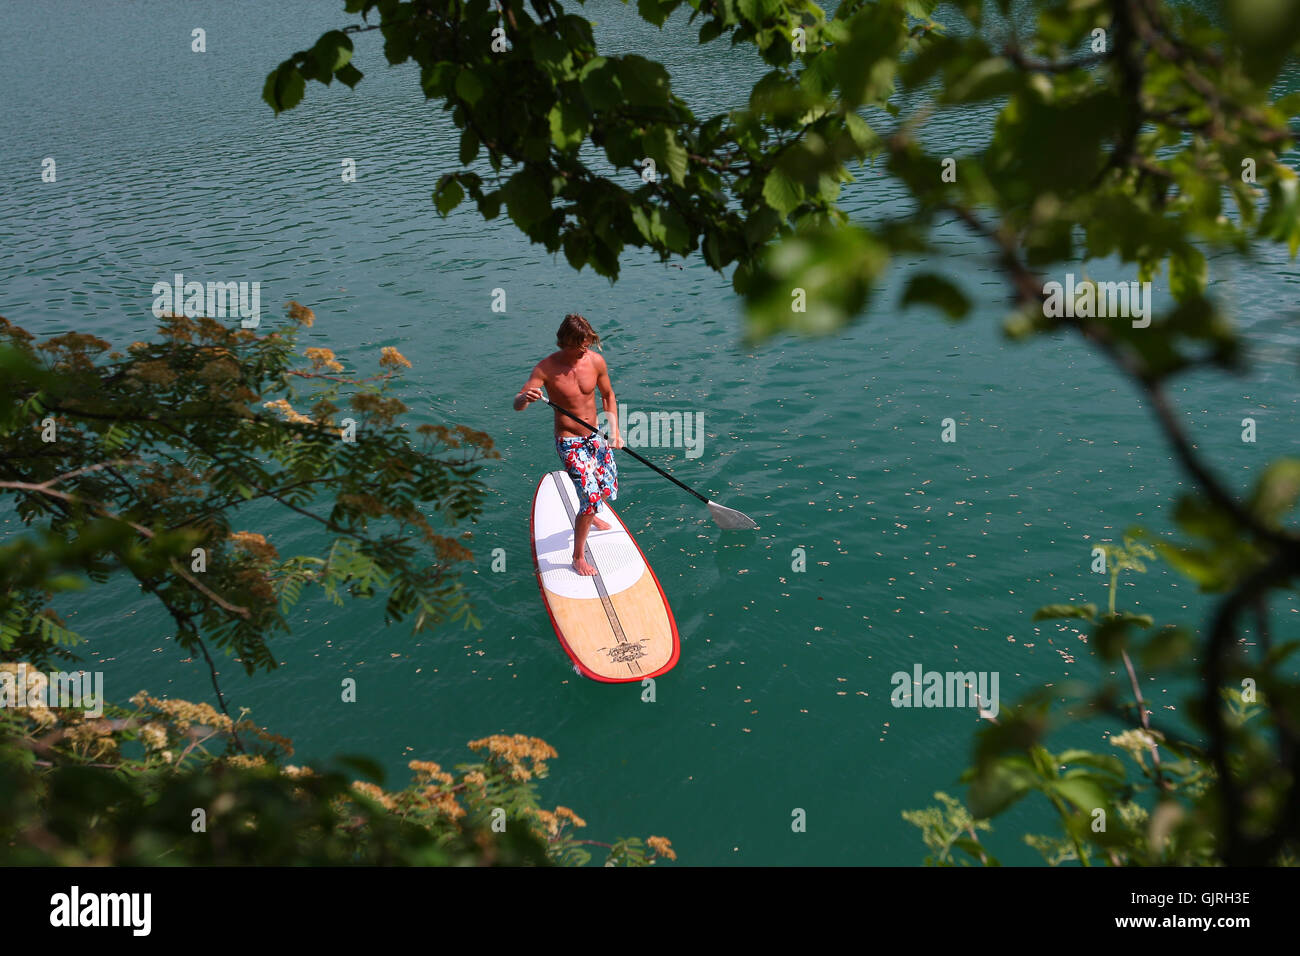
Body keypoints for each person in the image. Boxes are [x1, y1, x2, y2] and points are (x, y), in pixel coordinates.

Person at [514, 314, 624, 576]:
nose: (585, 349)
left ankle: (591, 511)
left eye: (588, 343)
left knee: (606, 485)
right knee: (589, 499)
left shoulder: (595, 361)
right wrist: (525, 398)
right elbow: (517, 405)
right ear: (565, 342)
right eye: (580, 344)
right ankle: (577, 557)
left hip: (596, 437)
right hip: (570, 442)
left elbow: (608, 395)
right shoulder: (545, 369)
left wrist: (615, 429)